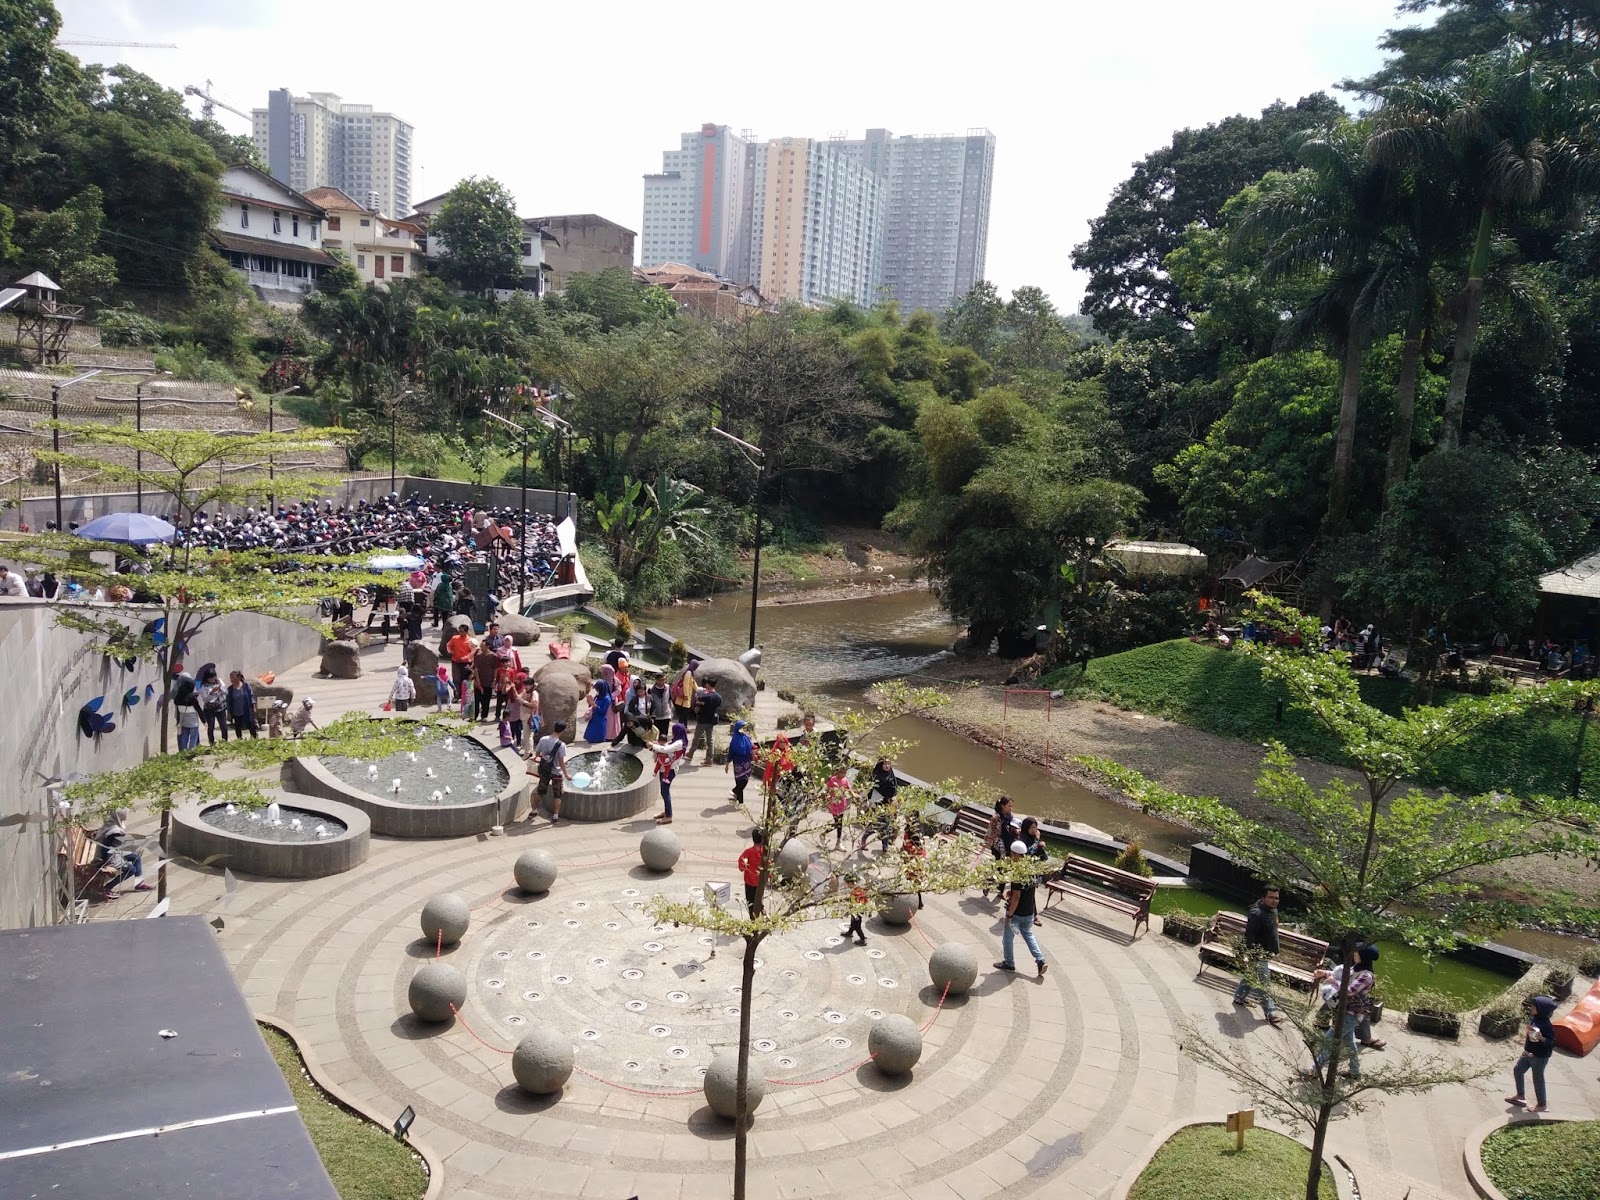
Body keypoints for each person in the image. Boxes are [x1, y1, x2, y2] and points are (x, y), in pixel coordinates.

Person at [1305, 943, 1379, 1081]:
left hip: (1352, 1014)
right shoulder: (1356, 968)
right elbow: (1341, 976)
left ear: (1364, 956)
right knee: (1349, 1042)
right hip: (1344, 1010)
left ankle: (1314, 1070)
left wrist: (1333, 981)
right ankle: (1355, 1071)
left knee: (1329, 1041)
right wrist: (1324, 973)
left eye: (1357, 952)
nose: (1354, 954)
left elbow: (1350, 990)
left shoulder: (1367, 976)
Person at [1231, 885, 1284, 1026]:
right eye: (1271, 897)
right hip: (1258, 954)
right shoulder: (1256, 913)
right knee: (1263, 982)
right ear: (1263, 897)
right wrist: (1250, 954)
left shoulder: (1273, 910)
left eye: (1276, 898)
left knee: (1252, 976)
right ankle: (1271, 1013)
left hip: (1267, 952)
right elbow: (1249, 936)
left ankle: (1239, 997)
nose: (1274, 900)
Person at [994, 840, 1047, 977]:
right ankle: (1040, 960)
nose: (1011, 857)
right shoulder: (1031, 869)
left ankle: (1009, 963)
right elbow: (1027, 891)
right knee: (1028, 934)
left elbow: (1017, 897)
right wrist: (1012, 892)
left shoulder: (1017, 873)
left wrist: (1009, 915)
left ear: (1016, 855)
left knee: (1008, 936)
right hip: (1029, 910)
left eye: (1012, 854)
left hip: (1017, 912)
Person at [1506, 995, 1559, 1112]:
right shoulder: (1535, 1018)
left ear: (1541, 1010)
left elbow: (1551, 1043)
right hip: (1528, 1052)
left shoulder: (1547, 1026)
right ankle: (1520, 1095)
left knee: (1537, 1079)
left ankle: (1542, 1105)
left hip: (1539, 1057)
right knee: (1518, 1070)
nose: (1531, 1007)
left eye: (1534, 1006)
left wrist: (1541, 1038)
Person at [94, 809, 150, 897]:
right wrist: (107, 864)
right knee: (131, 870)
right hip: (108, 856)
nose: (127, 814)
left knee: (136, 857)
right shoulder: (115, 831)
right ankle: (107, 888)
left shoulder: (112, 823)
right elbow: (105, 848)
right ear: (120, 815)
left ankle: (139, 883)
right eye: (125, 813)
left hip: (113, 852)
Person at [531, 722, 572, 823]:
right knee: (557, 795)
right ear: (562, 730)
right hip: (556, 772)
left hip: (545, 770)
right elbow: (561, 762)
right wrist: (566, 774)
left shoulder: (543, 739)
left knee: (540, 791)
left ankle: (533, 811)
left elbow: (537, 753)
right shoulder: (561, 745)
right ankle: (555, 816)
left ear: (554, 727)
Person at [648, 722, 687, 824]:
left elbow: (666, 749)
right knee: (663, 791)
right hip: (664, 768)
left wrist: (653, 745)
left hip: (670, 770)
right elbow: (666, 746)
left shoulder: (679, 743)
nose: (672, 733)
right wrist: (658, 745)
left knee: (665, 792)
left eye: (673, 731)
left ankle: (669, 816)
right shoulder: (675, 741)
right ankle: (666, 812)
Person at [981, 795, 1019, 899]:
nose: (1011, 808)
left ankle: (999, 891)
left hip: (1008, 844)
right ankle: (989, 883)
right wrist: (1001, 850)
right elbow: (993, 834)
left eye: (1011, 806)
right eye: (1009, 806)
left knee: (1004, 868)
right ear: (1002, 806)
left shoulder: (1009, 816)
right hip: (998, 846)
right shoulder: (996, 818)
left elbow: (1011, 828)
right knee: (999, 867)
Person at [860, 757, 898, 853]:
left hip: (888, 804)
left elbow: (894, 790)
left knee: (886, 827)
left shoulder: (891, 775)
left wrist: (894, 800)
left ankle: (885, 849)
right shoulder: (876, 776)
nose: (887, 766)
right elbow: (869, 790)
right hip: (877, 804)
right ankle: (864, 838)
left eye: (888, 764)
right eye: (885, 764)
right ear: (881, 765)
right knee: (877, 825)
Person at [687, 678, 721, 764]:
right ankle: (710, 758)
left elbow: (697, 705)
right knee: (710, 740)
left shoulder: (705, 697)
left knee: (696, 739)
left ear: (708, 685)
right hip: (711, 721)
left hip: (702, 720)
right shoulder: (718, 697)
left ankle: (691, 753)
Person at [725, 718, 755, 805]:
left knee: (745, 780)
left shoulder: (746, 738)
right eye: (742, 728)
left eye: (744, 728)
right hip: (738, 763)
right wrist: (727, 763)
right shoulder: (735, 740)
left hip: (747, 762)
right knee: (740, 781)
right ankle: (740, 801)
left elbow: (751, 747)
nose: (744, 729)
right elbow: (731, 752)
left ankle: (735, 791)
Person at [737, 829, 765, 916]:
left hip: (749, 883)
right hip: (760, 882)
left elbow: (741, 867)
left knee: (751, 902)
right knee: (759, 897)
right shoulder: (764, 853)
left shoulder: (748, 852)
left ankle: (753, 919)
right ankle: (761, 908)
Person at [198, 666, 228, 745]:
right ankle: (211, 743)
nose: (212, 679)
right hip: (209, 709)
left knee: (224, 726)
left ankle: (225, 741)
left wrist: (220, 689)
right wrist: (211, 693)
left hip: (220, 707)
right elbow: (205, 700)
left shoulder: (219, 681)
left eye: (214, 677)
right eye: (210, 678)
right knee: (211, 727)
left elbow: (226, 692)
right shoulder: (203, 687)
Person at [226, 670, 258, 739]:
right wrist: (229, 713)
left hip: (246, 710)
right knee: (238, 727)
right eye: (231, 677)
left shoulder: (246, 686)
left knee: (251, 726)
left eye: (233, 677)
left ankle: (254, 739)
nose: (231, 679)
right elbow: (228, 702)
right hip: (236, 712)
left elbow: (251, 697)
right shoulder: (230, 689)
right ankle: (239, 740)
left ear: (239, 677)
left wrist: (254, 707)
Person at [472, 642, 499, 723]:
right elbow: (476, 668)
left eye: (482, 646)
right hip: (479, 681)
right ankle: (474, 715)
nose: (481, 648)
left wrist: (494, 679)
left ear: (488, 646)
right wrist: (477, 680)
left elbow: (495, 669)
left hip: (488, 681)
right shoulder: (478, 656)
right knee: (476, 699)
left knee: (486, 700)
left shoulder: (493, 656)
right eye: (480, 646)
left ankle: (484, 715)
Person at [582, 675, 613, 744]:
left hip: (600, 721)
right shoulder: (598, 695)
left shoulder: (607, 698)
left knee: (597, 741)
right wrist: (589, 701)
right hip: (594, 718)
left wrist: (593, 704)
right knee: (590, 738)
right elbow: (592, 704)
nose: (596, 690)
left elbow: (603, 711)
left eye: (597, 688)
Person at [826, 767, 852, 849]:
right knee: (838, 823)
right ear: (838, 772)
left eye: (844, 773)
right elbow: (827, 789)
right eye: (841, 773)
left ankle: (837, 842)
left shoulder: (845, 780)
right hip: (834, 804)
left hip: (841, 804)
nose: (843, 775)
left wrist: (855, 795)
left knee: (839, 824)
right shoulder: (832, 780)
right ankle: (827, 835)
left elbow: (849, 789)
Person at [902, 824, 926, 909]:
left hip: (911, 860)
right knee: (917, 881)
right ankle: (919, 901)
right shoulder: (921, 834)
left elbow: (905, 847)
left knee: (911, 880)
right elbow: (923, 849)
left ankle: (914, 901)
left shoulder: (907, 834)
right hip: (919, 860)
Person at [670, 657, 699, 726]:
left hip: (686, 698)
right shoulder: (688, 673)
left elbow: (693, 683)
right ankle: (682, 727)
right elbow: (685, 684)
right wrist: (685, 695)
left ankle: (684, 727)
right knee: (684, 714)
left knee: (685, 714)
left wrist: (699, 690)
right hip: (684, 698)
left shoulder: (691, 673)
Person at [841, 873, 868, 945]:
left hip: (857, 912)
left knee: (857, 926)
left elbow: (855, 904)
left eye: (846, 883)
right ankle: (850, 932)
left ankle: (863, 939)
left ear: (850, 883)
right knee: (852, 923)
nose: (846, 885)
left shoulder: (855, 892)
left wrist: (851, 911)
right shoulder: (859, 888)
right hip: (857, 911)